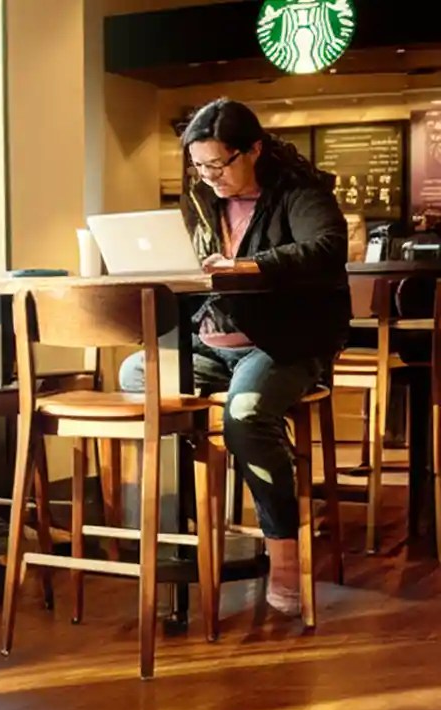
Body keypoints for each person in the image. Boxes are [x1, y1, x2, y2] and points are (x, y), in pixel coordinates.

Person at [118, 98, 350, 617]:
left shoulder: (298, 193)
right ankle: (185, 526)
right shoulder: (202, 199)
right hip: (213, 342)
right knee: (135, 373)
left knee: (244, 414)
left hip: (283, 343)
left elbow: (328, 247)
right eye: (200, 167)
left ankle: (284, 549)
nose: (210, 177)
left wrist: (250, 266)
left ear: (253, 150)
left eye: (219, 165)